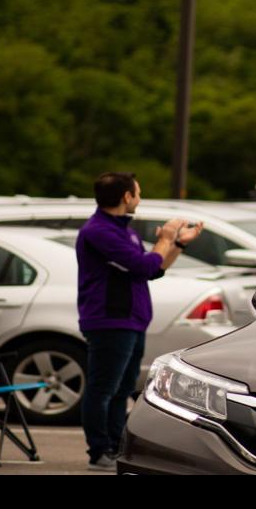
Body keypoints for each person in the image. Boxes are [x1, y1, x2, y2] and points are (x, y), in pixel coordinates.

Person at [75, 171, 203, 470]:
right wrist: (165, 238)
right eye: (138, 193)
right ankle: (98, 450)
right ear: (126, 197)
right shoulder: (99, 231)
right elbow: (143, 264)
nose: (140, 198)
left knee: (122, 389)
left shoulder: (123, 230)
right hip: (109, 320)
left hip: (131, 320)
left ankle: (116, 444)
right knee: (103, 388)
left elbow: (153, 270)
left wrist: (178, 244)